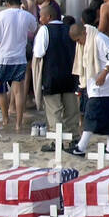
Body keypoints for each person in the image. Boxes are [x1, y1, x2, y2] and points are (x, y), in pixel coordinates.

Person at [66, 9, 109, 159]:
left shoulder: (100, 39)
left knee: (91, 115)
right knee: (108, 118)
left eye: (78, 40)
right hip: (95, 86)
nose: (79, 44)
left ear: (83, 34)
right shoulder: (86, 43)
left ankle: (81, 147)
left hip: (104, 86)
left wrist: (103, 74)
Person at [0, 0, 35, 133]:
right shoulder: (27, 16)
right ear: (20, 2)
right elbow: (34, 29)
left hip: (3, 57)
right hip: (19, 58)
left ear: (6, 2)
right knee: (18, 91)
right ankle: (18, 124)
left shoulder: (2, 15)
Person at [32, 9, 80, 144]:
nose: (40, 20)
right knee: (71, 110)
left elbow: (39, 52)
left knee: (54, 110)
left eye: (41, 17)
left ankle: (56, 140)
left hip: (51, 75)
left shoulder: (45, 30)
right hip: (71, 75)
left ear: (49, 16)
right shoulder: (70, 29)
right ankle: (74, 137)